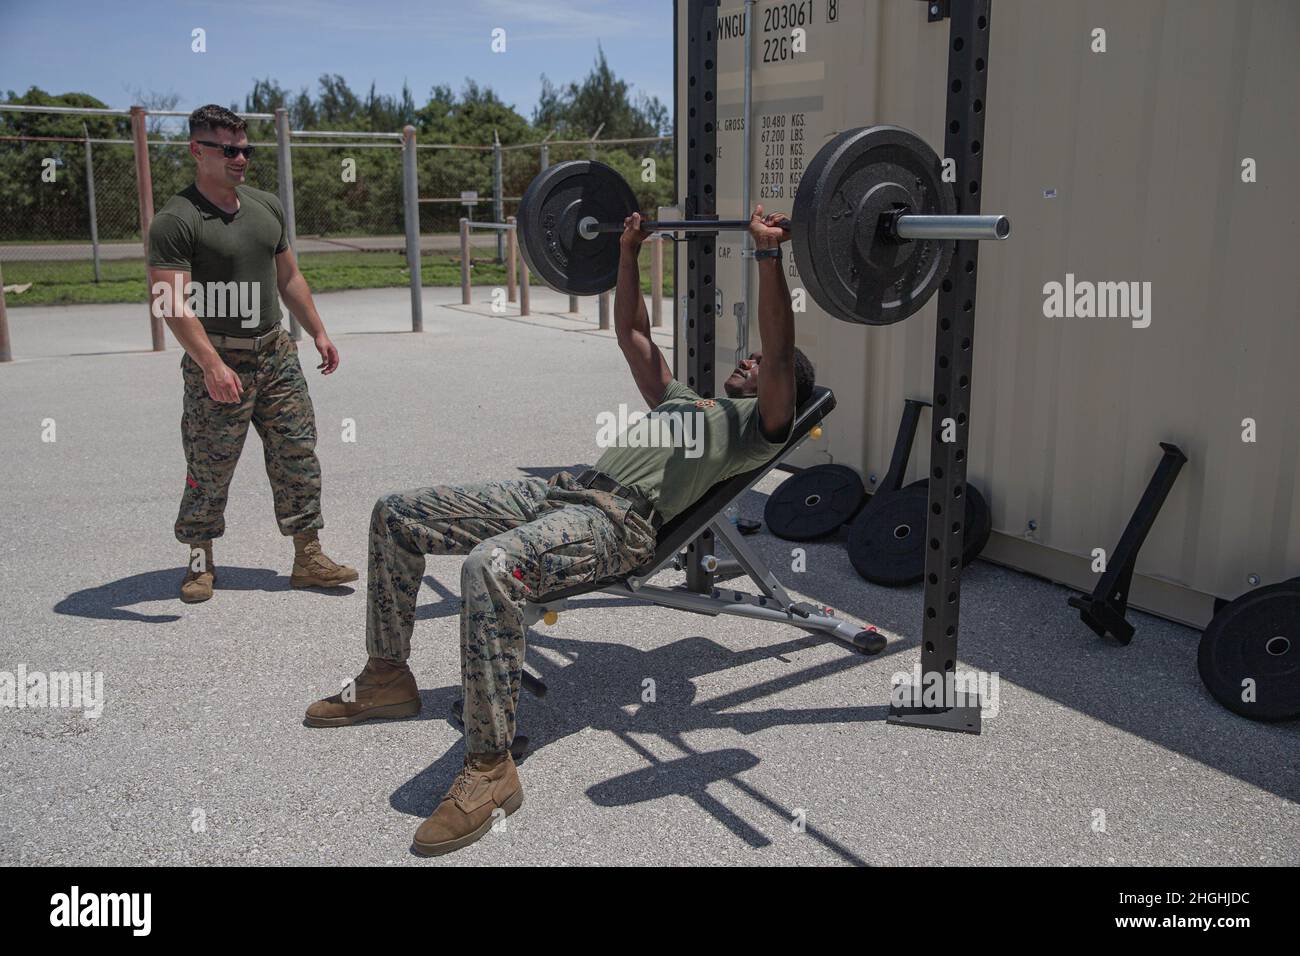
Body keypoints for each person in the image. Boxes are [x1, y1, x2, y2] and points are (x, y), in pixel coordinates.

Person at [304, 207, 815, 857]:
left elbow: (776, 369)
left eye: (763, 362)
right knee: (396, 514)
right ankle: (386, 676)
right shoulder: (687, 403)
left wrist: (769, 260)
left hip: (612, 525)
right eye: (747, 356)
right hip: (562, 493)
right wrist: (628, 250)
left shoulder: (754, 432)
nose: (749, 360)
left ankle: (490, 770)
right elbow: (632, 331)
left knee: (491, 568)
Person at [147, 105, 357, 603]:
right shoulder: (176, 220)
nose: (241, 158)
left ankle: (308, 556)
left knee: (297, 452)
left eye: (246, 149)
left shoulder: (266, 206)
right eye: (229, 150)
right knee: (209, 465)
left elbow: (289, 277)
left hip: (276, 353)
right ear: (199, 151)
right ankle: (200, 561)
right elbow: (170, 303)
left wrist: (319, 332)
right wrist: (211, 365)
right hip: (218, 361)